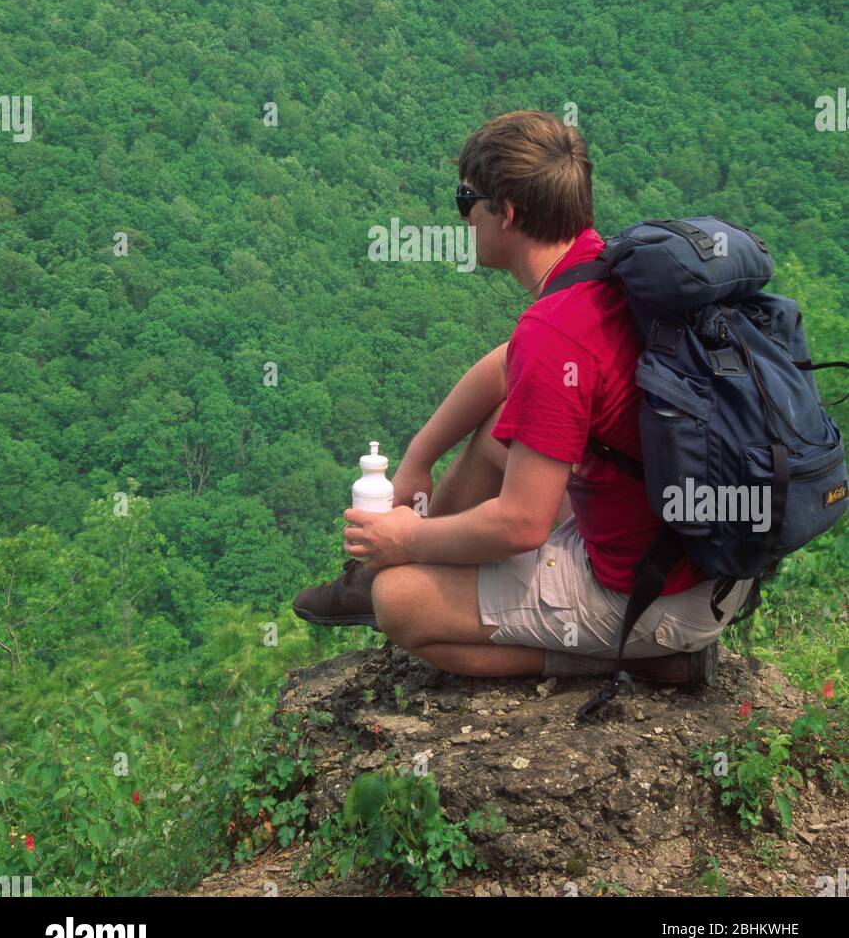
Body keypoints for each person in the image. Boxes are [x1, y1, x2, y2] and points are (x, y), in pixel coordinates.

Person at [293, 110, 753, 685]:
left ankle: (651, 662)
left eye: (468, 202)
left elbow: (521, 526)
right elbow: (508, 365)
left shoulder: (555, 328)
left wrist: (408, 536)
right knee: (494, 435)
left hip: (655, 596)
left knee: (398, 602)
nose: (463, 219)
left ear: (505, 214)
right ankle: (429, 560)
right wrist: (418, 457)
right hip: (699, 558)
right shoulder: (608, 270)